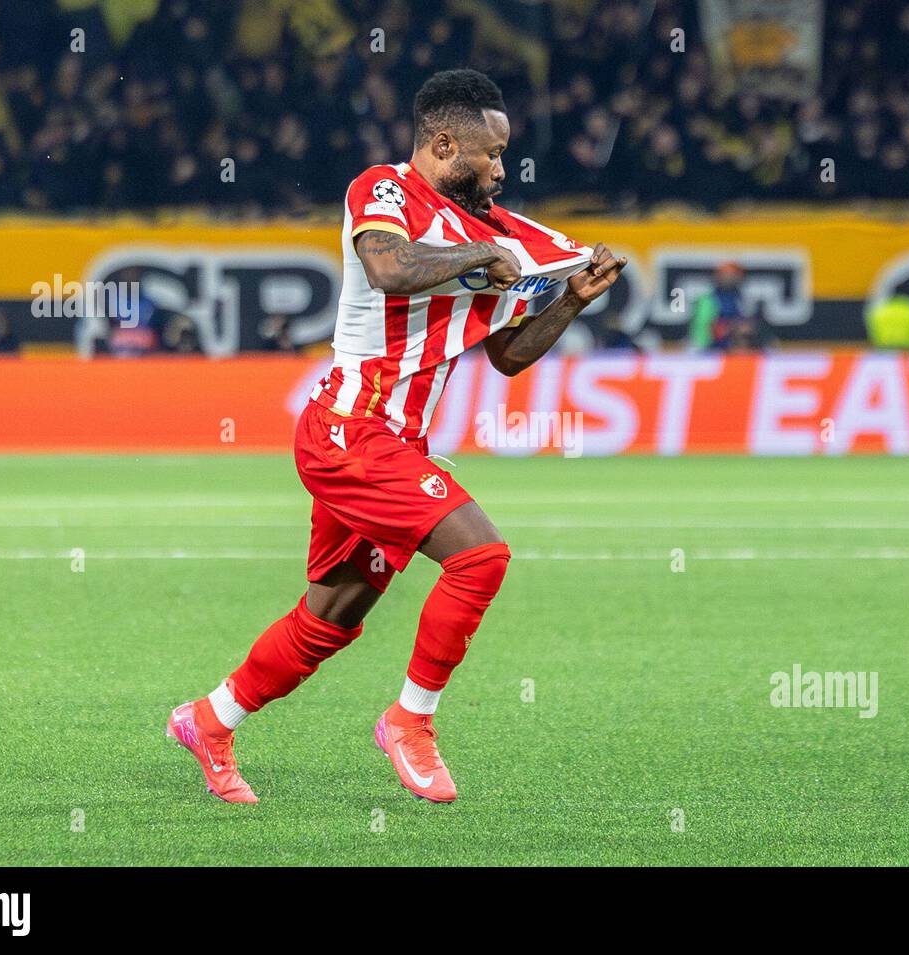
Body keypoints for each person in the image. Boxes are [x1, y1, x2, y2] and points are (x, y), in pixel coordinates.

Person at [166, 69, 626, 803]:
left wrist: (570, 296)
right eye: (492, 155)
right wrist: (481, 260)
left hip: (394, 446)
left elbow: (507, 356)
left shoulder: (490, 234)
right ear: (445, 143)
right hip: (349, 430)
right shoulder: (383, 191)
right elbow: (386, 268)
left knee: (331, 620)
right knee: (481, 557)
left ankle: (209, 721)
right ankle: (410, 723)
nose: (502, 171)